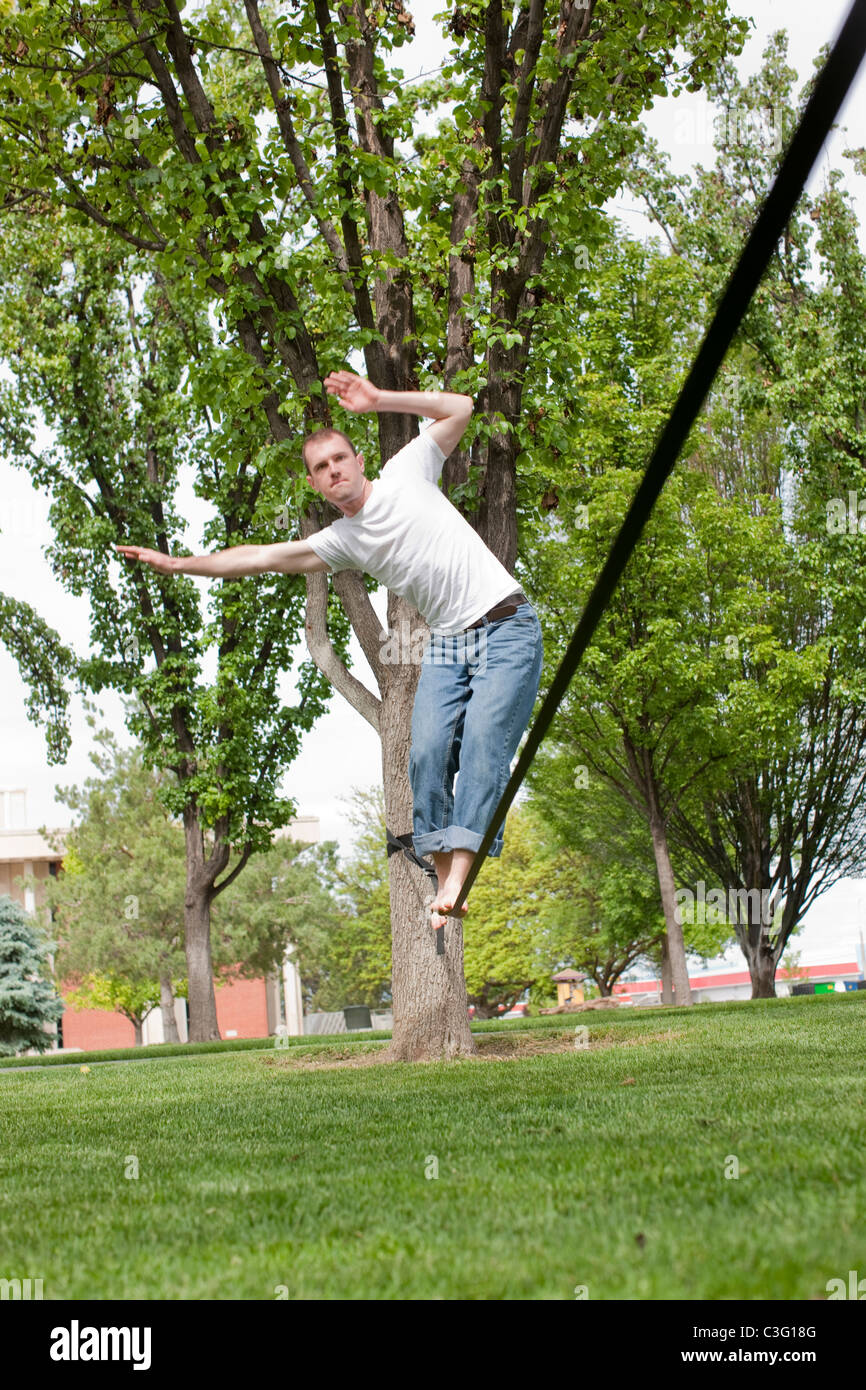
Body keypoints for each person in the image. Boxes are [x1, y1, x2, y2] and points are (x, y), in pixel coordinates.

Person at [117, 372, 543, 931]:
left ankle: (456, 880)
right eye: (321, 468)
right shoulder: (340, 542)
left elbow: (460, 407)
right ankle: (445, 882)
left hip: (506, 625)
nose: (333, 470)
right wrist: (180, 565)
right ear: (316, 485)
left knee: (484, 746)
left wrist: (379, 400)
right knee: (426, 753)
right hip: (447, 642)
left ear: (359, 459)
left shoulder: (407, 471)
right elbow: (258, 558)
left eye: (339, 458)